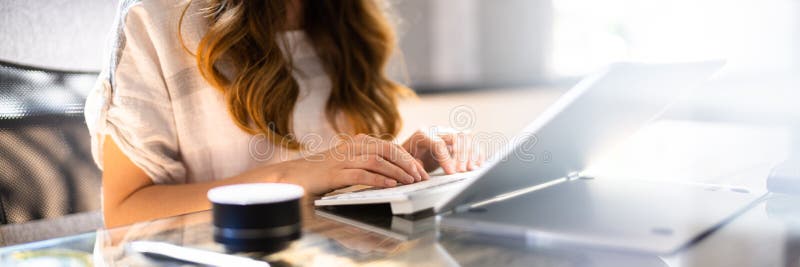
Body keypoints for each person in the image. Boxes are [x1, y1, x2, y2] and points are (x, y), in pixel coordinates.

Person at [85, 0, 482, 227]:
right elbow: (123, 210)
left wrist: (392, 166)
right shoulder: (159, 17)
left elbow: (329, 182)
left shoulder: (348, 21)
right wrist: (288, 177)